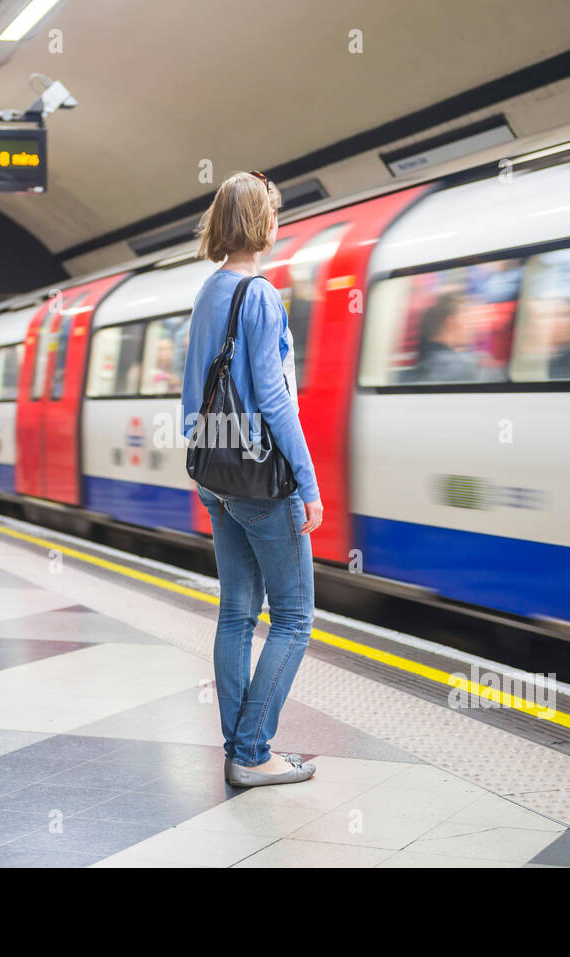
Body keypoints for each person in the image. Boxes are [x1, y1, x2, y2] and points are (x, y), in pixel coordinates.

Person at [180, 170, 321, 788]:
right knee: (293, 619)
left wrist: (207, 461)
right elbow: (275, 397)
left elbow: (192, 393)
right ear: (265, 224)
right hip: (262, 482)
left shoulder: (210, 291)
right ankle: (253, 753)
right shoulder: (260, 294)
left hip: (216, 474)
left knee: (236, 612)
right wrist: (309, 483)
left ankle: (238, 747)